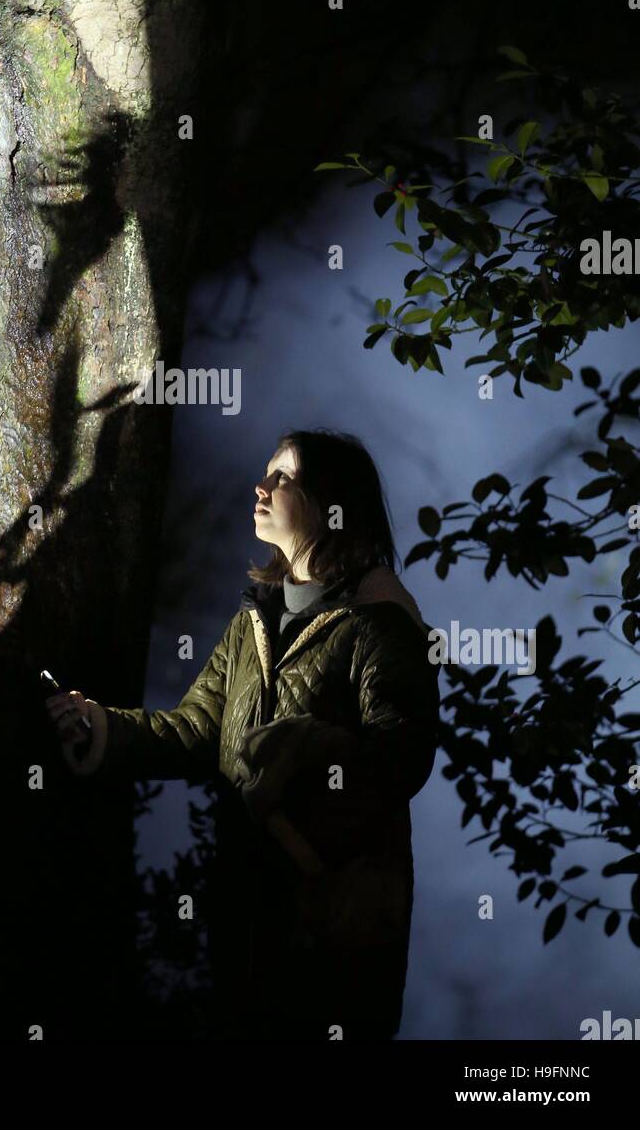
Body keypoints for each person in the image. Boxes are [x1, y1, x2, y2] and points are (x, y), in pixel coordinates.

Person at [46, 427, 441, 1041]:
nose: (262, 486)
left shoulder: (377, 622)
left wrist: (304, 754)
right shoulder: (252, 620)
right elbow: (197, 728)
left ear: (329, 499)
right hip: (242, 919)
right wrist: (99, 725)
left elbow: (401, 754)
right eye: (266, 472)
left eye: (284, 476)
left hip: (338, 939)